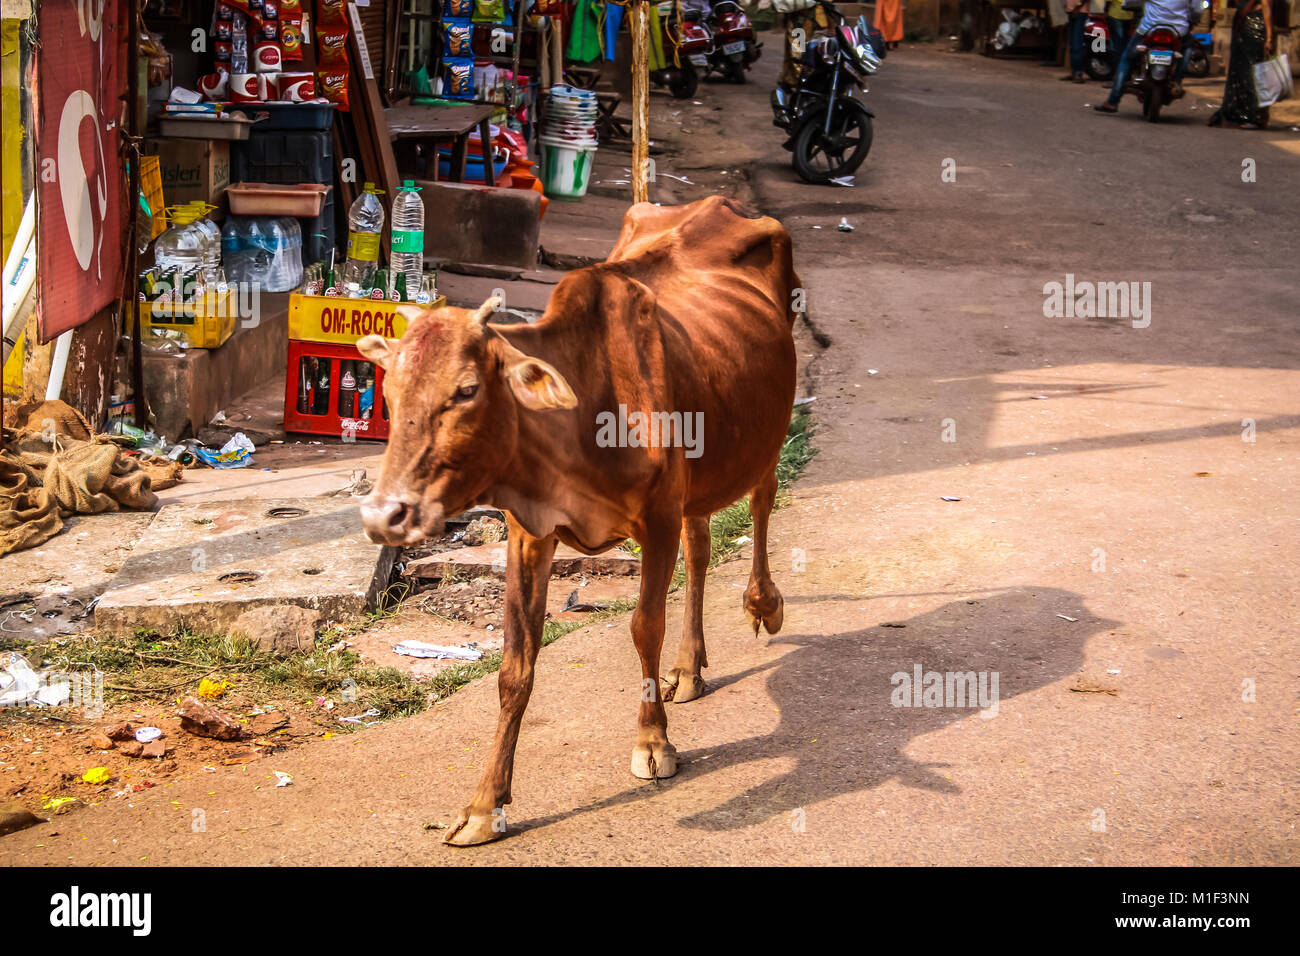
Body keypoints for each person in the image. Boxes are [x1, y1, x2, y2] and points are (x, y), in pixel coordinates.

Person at [1092, 0, 1199, 112]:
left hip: (1148, 29)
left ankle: (1113, 101)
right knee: (1188, 47)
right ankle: (1177, 80)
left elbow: (1129, 2)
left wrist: (1127, 5)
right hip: (1178, 31)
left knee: (1126, 59)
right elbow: (1197, 9)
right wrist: (1193, 18)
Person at [1208, 0, 1274, 128]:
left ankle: (1255, 116)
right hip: (1243, 26)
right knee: (1240, 72)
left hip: (1254, 27)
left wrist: (1269, 37)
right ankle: (1237, 113)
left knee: (1251, 74)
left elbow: (1267, 5)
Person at [1061, 0, 1091, 82]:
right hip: (1072, 11)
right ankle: (1074, 72)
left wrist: (1077, 8)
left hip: (1080, 12)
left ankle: (1078, 73)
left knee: (1077, 44)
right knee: (1072, 43)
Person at [1106, 0, 1136, 79]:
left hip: (1116, 14)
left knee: (1117, 48)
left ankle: (1118, 77)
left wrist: (1105, 10)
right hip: (1129, 15)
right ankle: (1126, 75)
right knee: (1125, 46)